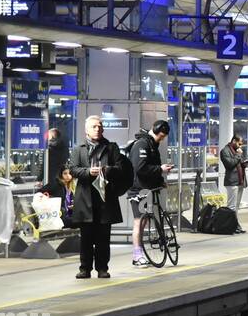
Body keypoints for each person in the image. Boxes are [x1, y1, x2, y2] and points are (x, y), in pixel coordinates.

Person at [68, 115, 130, 279]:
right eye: (94, 126)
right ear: (87, 130)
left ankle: (102, 268)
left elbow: (120, 168)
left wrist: (106, 170)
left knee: (103, 236)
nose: (98, 129)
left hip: (105, 198)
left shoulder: (111, 147)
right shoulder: (78, 149)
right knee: (86, 237)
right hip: (85, 198)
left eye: (100, 126)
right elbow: (73, 169)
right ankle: (85, 268)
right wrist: (88, 172)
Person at [128, 120, 176, 267]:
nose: (161, 140)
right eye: (160, 136)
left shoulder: (152, 146)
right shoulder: (142, 145)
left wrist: (160, 180)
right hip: (138, 190)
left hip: (147, 189)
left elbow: (153, 167)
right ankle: (137, 256)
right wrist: (160, 169)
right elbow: (140, 168)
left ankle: (140, 253)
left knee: (144, 221)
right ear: (154, 130)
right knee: (139, 222)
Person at [220, 134, 248, 213]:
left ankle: (235, 223)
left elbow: (238, 162)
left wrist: (244, 163)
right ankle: (230, 224)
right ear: (234, 141)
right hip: (232, 182)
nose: (240, 146)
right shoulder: (225, 151)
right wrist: (238, 155)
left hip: (240, 181)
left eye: (241, 144)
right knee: (231, 207)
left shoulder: (237, 150)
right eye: (239, 144)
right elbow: (229, 164)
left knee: (236, 206)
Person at [44, 127, 70, 200]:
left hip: (49, 177)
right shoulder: (64, 147)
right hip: (60, 177)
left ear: (52, 136)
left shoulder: (47, 149)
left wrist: (39, 178)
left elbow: (42, 165)